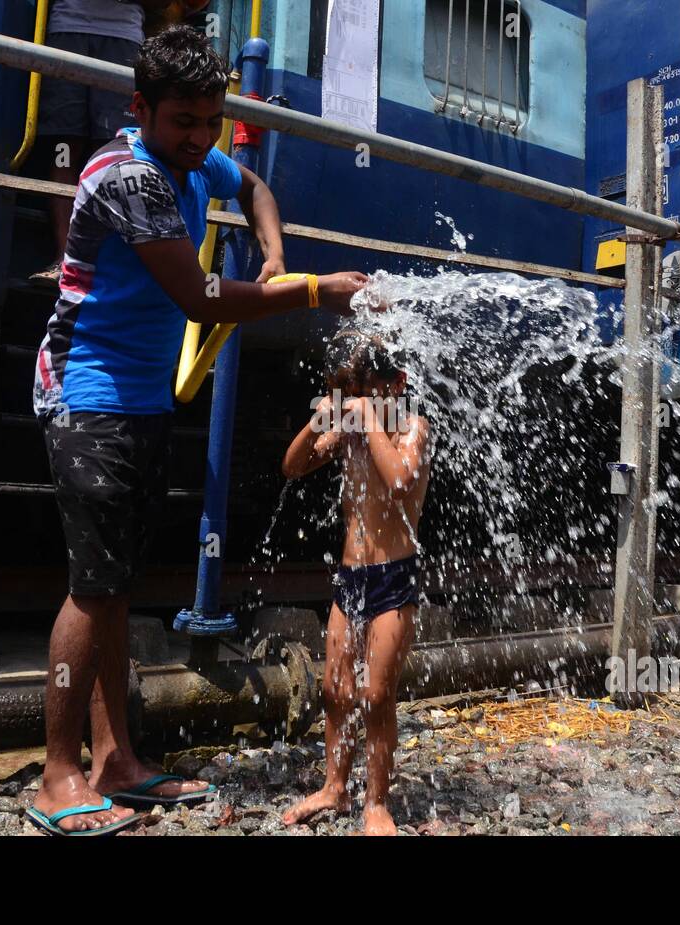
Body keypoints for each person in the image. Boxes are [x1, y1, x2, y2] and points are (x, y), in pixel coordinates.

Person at [27, 24, 369, 836]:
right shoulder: (129, 177)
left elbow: (253, 187)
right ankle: (57, 772)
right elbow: (203, 297)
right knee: (92, 585)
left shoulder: (192, 154)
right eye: (183, 121)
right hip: (87, 395)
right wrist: (313, 290)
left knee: (116, 582)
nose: (199, 138)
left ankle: (116, 760)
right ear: (140, 108)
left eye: (210, 122)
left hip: (141, 400)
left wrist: (276, 255)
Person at [279, 330, 432, 835]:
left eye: (371, 393)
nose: (363, 403)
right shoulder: (351, 431)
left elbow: (401, 481)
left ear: (398, 384)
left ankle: (376, 802)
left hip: (394, 579)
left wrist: (366, 422)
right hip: (350, 577)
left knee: (375, 693)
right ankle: (333, 787)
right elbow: (293, 467)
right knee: (335, 690)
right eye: (357, 394)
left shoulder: (413, 428)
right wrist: (319, 420)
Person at [30, 0, 188, 285]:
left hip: (123, 37)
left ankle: (99, 266)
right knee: (65, 148)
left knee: (111, 153)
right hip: (67, 30)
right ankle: (65, 261)